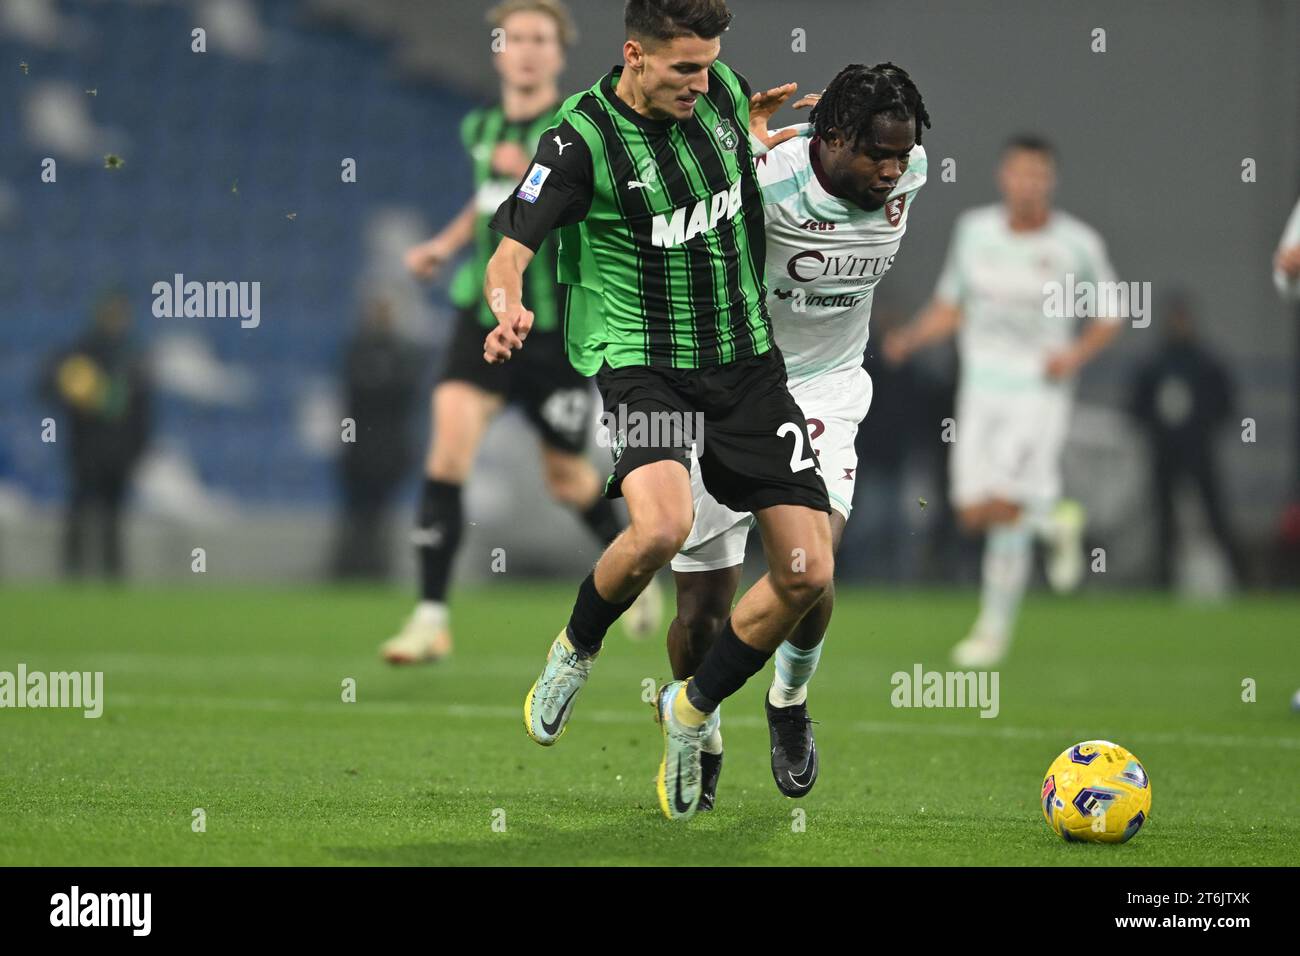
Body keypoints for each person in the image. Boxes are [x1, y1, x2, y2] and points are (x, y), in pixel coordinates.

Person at [485, 0, 832, 820]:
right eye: (684, 66)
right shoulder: (580, 141)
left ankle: (691, 710)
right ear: (635, 55)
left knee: (807, 574)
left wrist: (745, 128)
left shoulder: (717, 95)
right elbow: (509, 250)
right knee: (660, 528)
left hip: (745, 363)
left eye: (710, 63)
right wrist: (507, 309)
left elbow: (729, 137)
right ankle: (576, 647)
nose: (701, 81)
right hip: (647, 366)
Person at [666, 63, 929, 809]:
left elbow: (904, 162)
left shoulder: (913, 171)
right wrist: (735, 156)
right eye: (876, 154)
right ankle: (700, 723)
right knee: (700, 615)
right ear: (831, 137)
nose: (891, 172)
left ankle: (788, 700)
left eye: (901, 157)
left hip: (826, 389)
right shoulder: (767, 180)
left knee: (809, 567)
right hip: (729, 386)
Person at [385, 0, 660, 664]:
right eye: (518, 38)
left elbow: (581, 213)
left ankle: (632, 564)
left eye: (543, 38)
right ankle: (430, 616)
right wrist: (444, 246)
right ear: (500, 51)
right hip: (479, 318)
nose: (530, 49)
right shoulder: (482, 125)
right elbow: (486, 198)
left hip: (550, 331)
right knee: (447, 448)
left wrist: (530, 177)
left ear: (559, 54)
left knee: (567, 479)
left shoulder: (577, 130)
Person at [886, 136, 1122, 667]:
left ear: (1051, 180)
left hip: (1038, 392)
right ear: (1003, 177)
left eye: (1038, 174)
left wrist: (1073, 356)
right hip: (980, 390)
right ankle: (1054, 520)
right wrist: (912, 338)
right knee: (974, 513)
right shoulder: (974, 232)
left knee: (1008, 512)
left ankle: (992, 632)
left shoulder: (1075, 243)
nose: (1028, 183)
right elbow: (953, 305)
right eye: (1019, 173)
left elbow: (1111, 311)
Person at [1128, 295, 1245, 589]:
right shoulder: (1155, 364)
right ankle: (1163, 581)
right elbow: (1135, 408)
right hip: (1164, 453)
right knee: (1163, 518)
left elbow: (1227, 404)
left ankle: (1242, 579)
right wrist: (1156, 432)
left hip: (1199, 451)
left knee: (1215, 513)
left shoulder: (1206, 363)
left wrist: (1203, 430)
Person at [43, 291, 152, 579]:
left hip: (118, 452)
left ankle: (112, 574)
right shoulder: (82, 352)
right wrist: (66, 385)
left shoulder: (133, 357)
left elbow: (143, 412)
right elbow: (46, 387)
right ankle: (72, 570)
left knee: (112, 517)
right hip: (85, 449)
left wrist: (138, 449)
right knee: (79, 512)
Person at [334, 298, 424, 579]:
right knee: (357, 512)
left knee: (380, 513)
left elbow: (404, 395)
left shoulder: (403, 353)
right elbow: (353, 393)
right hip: (360, 448)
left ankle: (376, 567)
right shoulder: (358, 349)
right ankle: (352, 567)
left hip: (388, 449)